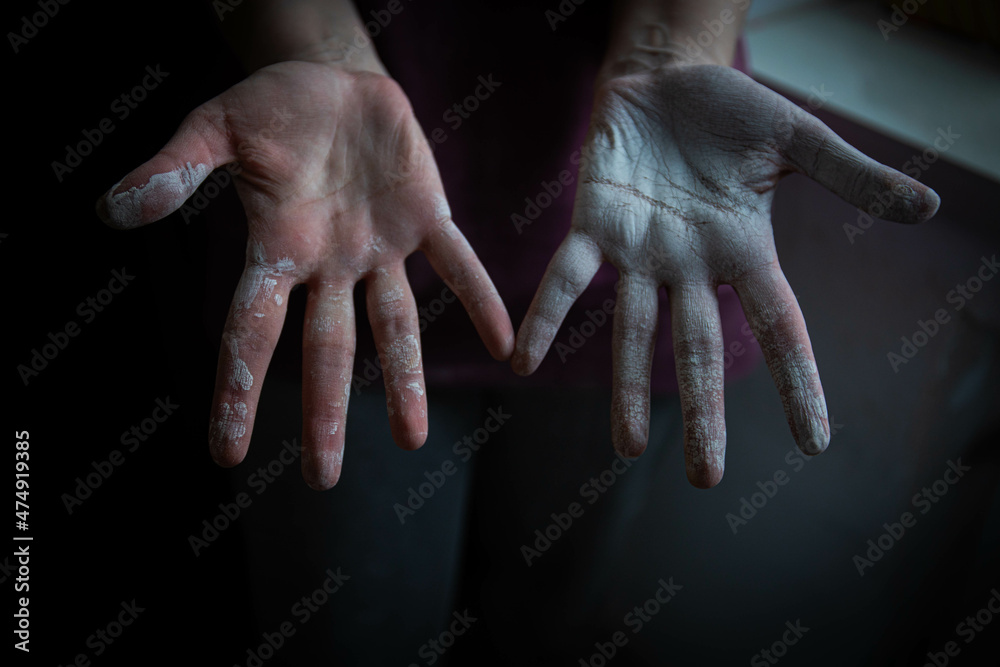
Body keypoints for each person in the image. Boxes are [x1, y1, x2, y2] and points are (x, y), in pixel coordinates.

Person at [95, 0, 941, 662]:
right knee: (350, 635)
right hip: (340, 228)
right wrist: (314, 50)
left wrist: (671, 51)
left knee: (549, 624)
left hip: (631, 215)